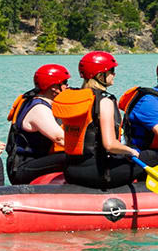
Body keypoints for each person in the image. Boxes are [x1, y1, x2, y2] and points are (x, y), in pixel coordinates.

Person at [56, 50, 146, 189]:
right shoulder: (104, 101)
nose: (114, 74)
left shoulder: (75, 97)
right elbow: (110, 145)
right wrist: (130, 151)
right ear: (100, 75)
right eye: (111, 70)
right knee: (147, 159)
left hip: (70, 171)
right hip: (97, 173)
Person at [5, 63, 71, 184]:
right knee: (70, 157)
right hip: (23, 168)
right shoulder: (39, 108)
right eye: (65, 82)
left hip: (35, 162)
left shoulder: (40, 102)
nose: (67, 86)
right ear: (54, 87)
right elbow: (60, 138)